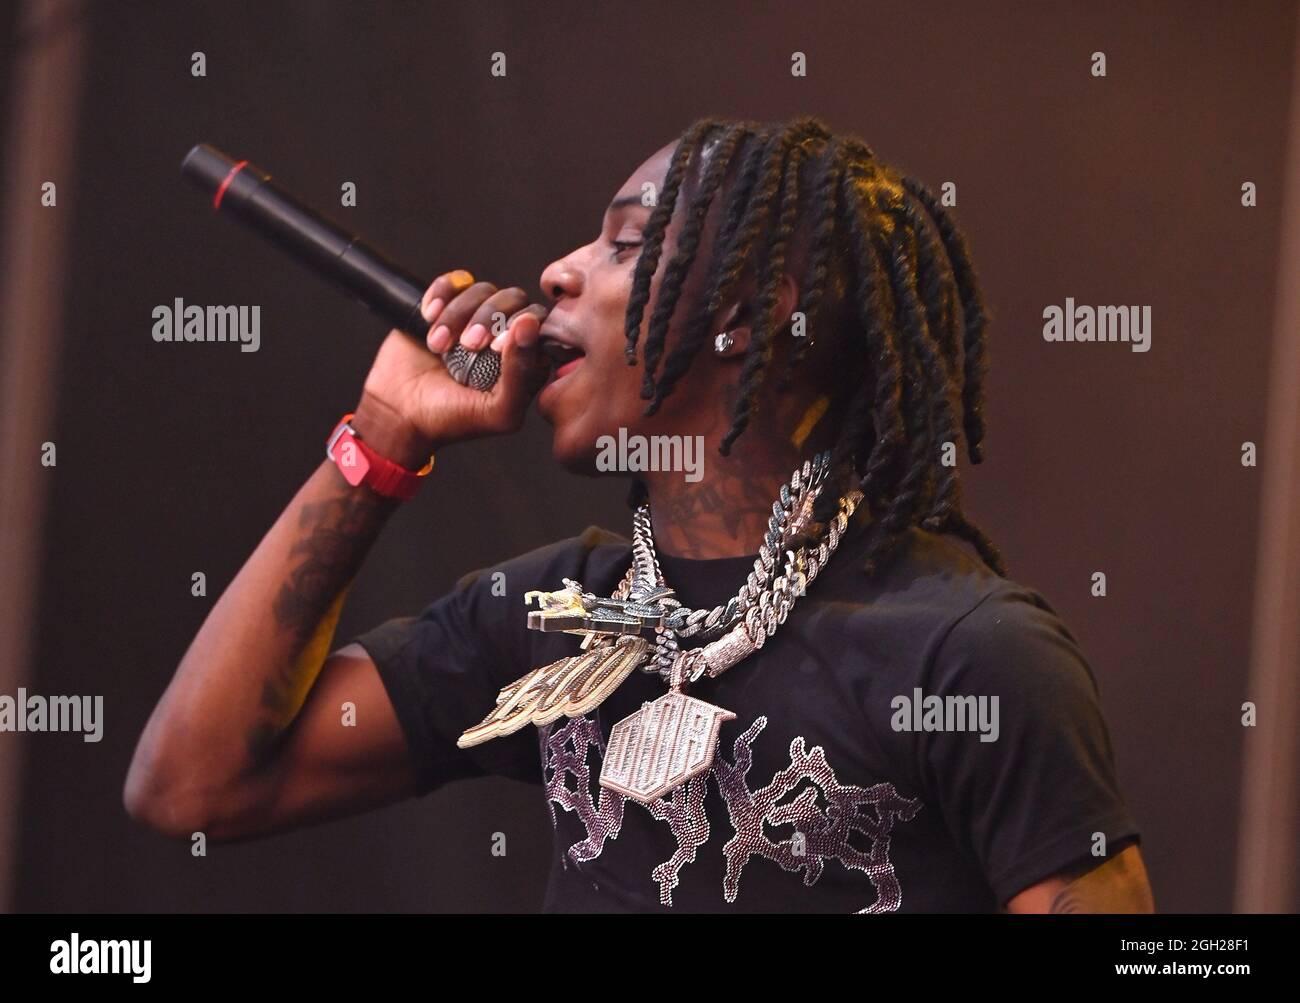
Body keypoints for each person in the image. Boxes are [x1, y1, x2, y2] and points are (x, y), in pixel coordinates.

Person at [125, 116, 1153, 913]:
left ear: (749, 316)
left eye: (623, 242)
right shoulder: (554, 616)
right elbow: (190, 785)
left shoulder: (968, 658)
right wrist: (384, 442)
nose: (559, 268)